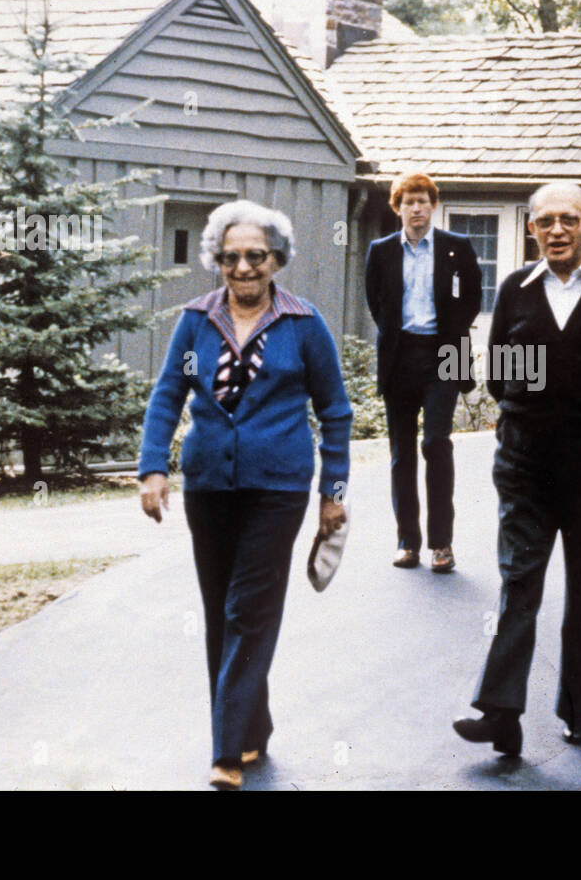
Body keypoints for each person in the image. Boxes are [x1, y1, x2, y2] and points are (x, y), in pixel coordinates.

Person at [137, 200, 351, 790]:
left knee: (247, 611)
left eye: (255, 256)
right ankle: (251, 728)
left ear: (276, 258)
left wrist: (333, 493)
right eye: (230, 257)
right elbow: (167, 395)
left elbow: (336, 411)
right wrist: (153, 468)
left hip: (278, 488)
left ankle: (226, 749)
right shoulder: (195, 320)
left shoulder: (304, 325)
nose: (243, 268)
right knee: (220, 616)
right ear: (217, 261)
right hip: (209, 487)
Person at [453, 182, 581, 754]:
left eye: (568, 219)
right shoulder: (518, 290)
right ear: (531, 229)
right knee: (518, 582)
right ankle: (500, 710)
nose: (556, 230)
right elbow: (499, 376)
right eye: (544, 221)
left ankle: (577, 710)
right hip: (525, 465)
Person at [365, 173, 482, 572]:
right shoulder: (381, 252)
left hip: (443, 354)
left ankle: (441, 544)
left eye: (424, 201)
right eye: (409, 202)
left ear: (434, 205)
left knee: (435, 442)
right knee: (402, 452)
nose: (417, 209)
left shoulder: (457, 248)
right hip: (400, 357)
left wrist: (448, 334)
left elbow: (471, 300)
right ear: (397, 208)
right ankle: (407, 542)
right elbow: (377, 302)